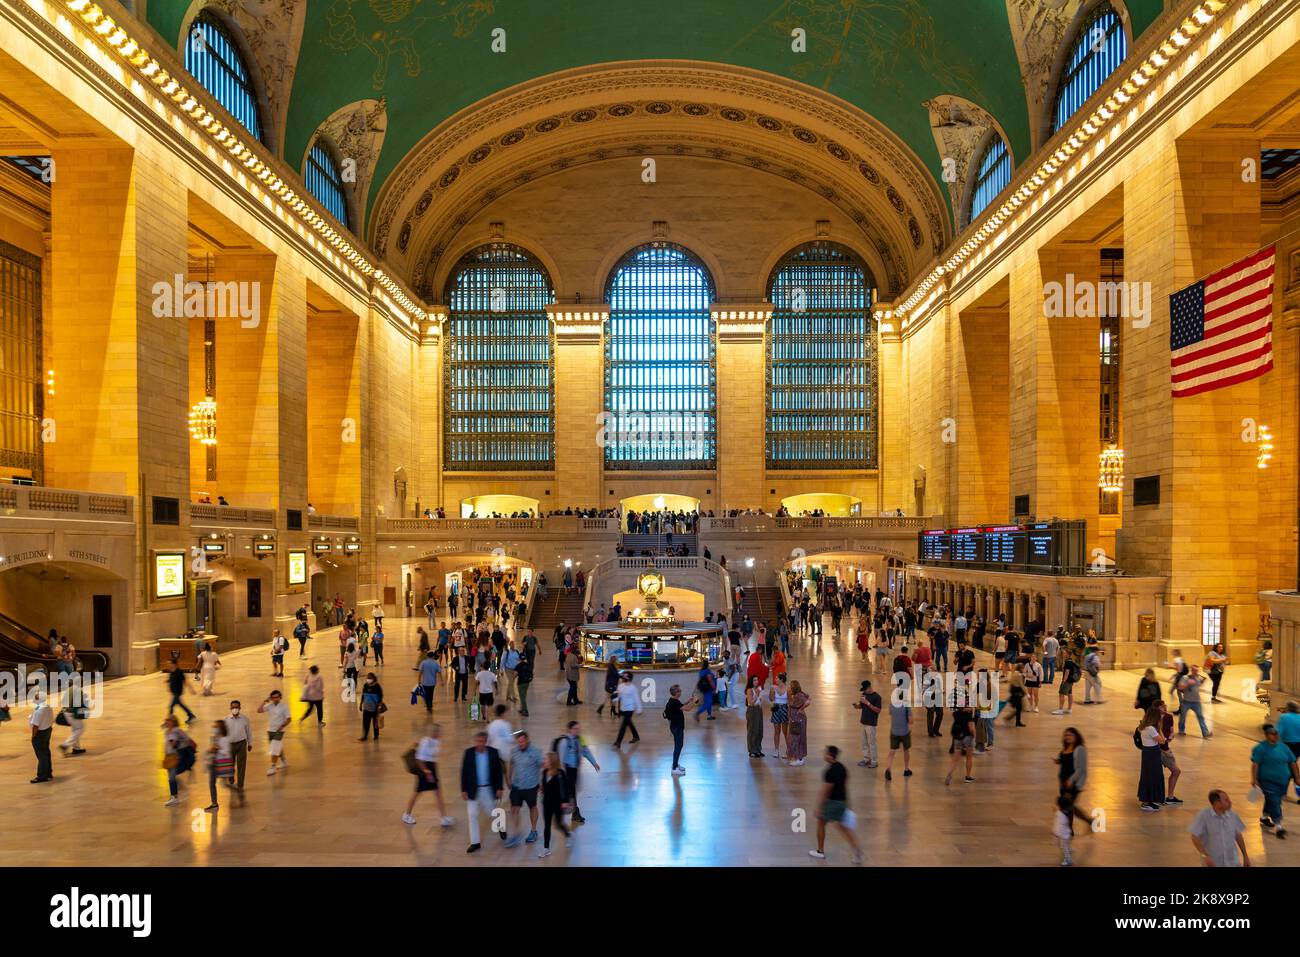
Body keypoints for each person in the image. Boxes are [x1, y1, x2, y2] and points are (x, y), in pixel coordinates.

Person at [809, 746, 862, 864]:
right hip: (842, 802)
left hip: (833, 803)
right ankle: (857, 851)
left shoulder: (830, 772)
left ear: (830, 756)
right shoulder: (842, 768)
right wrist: (848, 804)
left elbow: (825, 791)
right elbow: (844, 787)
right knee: (844, 827)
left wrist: (819, 807)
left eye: (825, 753)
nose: (824, 754)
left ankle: (820, 851)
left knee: (821, 822)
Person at [1251, 723, 1299, 839]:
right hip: (1267, 781)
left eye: (1276, 733)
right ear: (1267, 735)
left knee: (1272, 800)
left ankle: (1264, 817)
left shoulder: (1284, 747)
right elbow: (1255, 764)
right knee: (1275, 801)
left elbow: (1292, 762)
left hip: (1283, 781)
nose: (1275, 736)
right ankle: (1279, 827)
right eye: (1272, 734)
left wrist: (1297, 777)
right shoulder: (1260, 748)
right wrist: (1254, 779)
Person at [403, 723, 455, 828]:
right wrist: (427, 772)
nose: (441, 733)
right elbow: (419, 759)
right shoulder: (426, 742)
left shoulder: (436, 741)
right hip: (425, 769)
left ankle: (443, 818)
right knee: (417, 792)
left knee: (438, 793)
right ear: (434, 732)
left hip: (432, 768)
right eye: (439, 731)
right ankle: (406, 814)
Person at [460, 731, 504, 853]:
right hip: (472, 789)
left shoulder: (494, 753)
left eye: (482, 742)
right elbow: (464, 772)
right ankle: (475, 842)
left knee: (491, 812)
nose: (479, 744)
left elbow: (499, 772)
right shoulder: (468, 753)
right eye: (477, 741)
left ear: (486, 742)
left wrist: (500, 788)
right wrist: (463, 790)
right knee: (472, 815)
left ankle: (500, 826)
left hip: (487, 789)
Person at [504, 730, 544, 847]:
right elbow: (511, 764)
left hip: (531, 786)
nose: (520, 744)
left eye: (522, 742)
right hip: (517, 786)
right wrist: (509, 778)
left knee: (532, 807)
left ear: (527, 740)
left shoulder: (535, 752)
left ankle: (533, 831)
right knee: (514, 809)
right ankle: (515, 834)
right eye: (518, 742)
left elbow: (543, 766)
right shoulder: (514, 751)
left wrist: (543, 783)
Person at [1189, 790, 1249, 867]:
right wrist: (1205, 855)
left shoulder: (1233, 815)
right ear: (1217, 803)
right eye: (1226, 800)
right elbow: (1194, 837)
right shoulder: (1204, 815)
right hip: (1213, 863)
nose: (1230, 802)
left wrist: (1245, 855)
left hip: (1233, 862)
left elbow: (1238, 835)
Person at [556, 720, 599, 824]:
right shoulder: (564, 741)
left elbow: (586, 751)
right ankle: (575, 813)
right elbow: (560, 758)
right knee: (571, 793)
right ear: (570, 729)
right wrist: (563, 773)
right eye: (575, 729)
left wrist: (594, 763)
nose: (577, 730)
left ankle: (573, 812)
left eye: (578, 728)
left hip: (575, 770)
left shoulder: (580, 739)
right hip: (567, 770)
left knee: (572, 792)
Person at [1055, 727, 1092, 828]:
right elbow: (1065, 759)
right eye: (1066, 735)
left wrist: (1071, 780)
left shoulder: (1080, 749)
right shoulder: (1066, 747)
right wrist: (1058, 760)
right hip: (1064, 783)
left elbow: (1081, 768)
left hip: (1073, 784)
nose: (1068, 737)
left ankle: (1069, 829)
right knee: (1069, 806)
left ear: (1076, 736)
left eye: (1070, 735)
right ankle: (1089, 820)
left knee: (1067, 806)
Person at [538, 752, 572, 857]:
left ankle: (568, 835)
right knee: (547, 825)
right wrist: (541, 790)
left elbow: (565, 788)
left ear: (552, 761)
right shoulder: (544, 772)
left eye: (546, 759)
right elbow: (545, 786)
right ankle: (546, 848)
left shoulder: (560, 773)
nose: (544, 761)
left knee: (558, 824)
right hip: (547, 803)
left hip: (558, 804)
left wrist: (565, 801)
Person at [663, 684, 699, 776]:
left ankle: (675, 764)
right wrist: (694, 702)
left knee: (679, 745)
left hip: (676, 726)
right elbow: (687, 709)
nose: (681, 692)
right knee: (678, 746)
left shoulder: (673, 700)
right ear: (676, 693)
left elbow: (681, 706)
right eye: (679, 691)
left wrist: (689, 700)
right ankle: (674, 768)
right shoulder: (674, 702)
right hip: (676, 727)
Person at [161, 716, 197, 806]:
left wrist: (173, 742)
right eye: (166, 721)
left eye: (168, 720)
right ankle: (175, 796)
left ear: (173, 722)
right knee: (171, 777)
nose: (167, 723)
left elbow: (175, 743)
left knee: (172, 777)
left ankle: (174, 797)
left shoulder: (176, 730)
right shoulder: (167, 732)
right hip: (169, 756)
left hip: (175, 756)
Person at [1137, 704, 1167, 811]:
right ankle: (1147, 802)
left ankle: (1150, 799)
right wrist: (1160, 729)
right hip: (1152, 753)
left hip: (1147, 752)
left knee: (1149, 775)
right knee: (1153, 775)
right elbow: (1162, 741)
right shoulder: (1151, 729)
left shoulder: (1143, 726)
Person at [258, 689, 291, 775]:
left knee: (274, 748)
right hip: (270, 730)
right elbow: (259, 710)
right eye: (273, 697)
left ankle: (272, 767)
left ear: (280, 697)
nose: (275, 699)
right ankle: (284, 761)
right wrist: (265, 701)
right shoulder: (269, 706)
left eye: (277, 697)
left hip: (279, 730)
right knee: (277, 747)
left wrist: (282, 726)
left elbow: (289, 719)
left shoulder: (284, 706)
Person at [1155, 699, 1182, 804]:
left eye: (1165, 705)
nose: (1165, 708)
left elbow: (1171, 730)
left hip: (1166, 749)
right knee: (1159, 774)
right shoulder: (1154, 720)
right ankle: (1159, 797)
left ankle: (1170, 796)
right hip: (1157, 750)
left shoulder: (1169, 717)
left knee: (1176, 771)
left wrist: (1171, 735)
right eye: (1162, 706)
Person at [223, 700, 252, 793]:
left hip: (241, 744)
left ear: (240, 708)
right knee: (230, 764)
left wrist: (250, 743)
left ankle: (240, 785)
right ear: (230, 708)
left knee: (241, 765)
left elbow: (249, 732)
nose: (234, 709)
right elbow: (223, 734)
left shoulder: (245, 719)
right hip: (230, 745)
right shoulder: (226, 719)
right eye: (233, 707)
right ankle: (231, 778)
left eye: (236, 707)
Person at [204, 719, 233, 811]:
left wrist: (217, 749)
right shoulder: (214, 738)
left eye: (216, 727)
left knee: (224, 784)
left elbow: (226, 752)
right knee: (212, 783)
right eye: (214, 727)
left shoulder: (225, 739)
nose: (214, 728)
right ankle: (214, 803)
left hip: (221, 763)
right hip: (213, 763)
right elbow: (211, 748)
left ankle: (237, 790)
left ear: (221, 728)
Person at [1176, 666, 1212, 738]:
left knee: (1200, 717)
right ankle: (1181, 730)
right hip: (1186, 702)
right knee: (1183, 717)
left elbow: (1197, 687)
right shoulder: (1185, 678)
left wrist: (1203, 681)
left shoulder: (1198, 678)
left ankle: (1205, 733)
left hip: (1197, 702)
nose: (1196, 672)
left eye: (1197, 671)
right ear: (1191, 670)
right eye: (1195, 670)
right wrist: (1188, 684)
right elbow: (1179, 687)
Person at [58, 679, 91, 756]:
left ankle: (76, 748)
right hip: (72, 713)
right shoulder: (78, 690)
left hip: (66, 712)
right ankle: (65, 745)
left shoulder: (69, 689)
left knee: (75, 730)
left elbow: (62, 702)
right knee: (80, 728)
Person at [854, 679, 882, 768]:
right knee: (864, 743)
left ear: (869, 687)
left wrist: (868, 703)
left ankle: (874, 761)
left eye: (865, 689)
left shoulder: (877, 697)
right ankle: (866, 759)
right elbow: (861, 706)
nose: (864, 691)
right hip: (863, 722)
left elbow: (878, 710)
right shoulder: (864, 695)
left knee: (872, 743)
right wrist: (857, 706)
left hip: (871, 723)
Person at [883, 697, 912, 781]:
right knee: (906, 750)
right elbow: (910, 721)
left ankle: (888, 769)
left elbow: (890, 713)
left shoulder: (892, 704)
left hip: (894, 731)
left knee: (892, 751)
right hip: (904, 732)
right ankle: (906, 769)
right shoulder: (906, 706)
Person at [945, 704, 976, 785]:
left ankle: (949, 774)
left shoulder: (956, 714)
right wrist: (974, 735)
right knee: (969, 758)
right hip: (967, 738)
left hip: (958, 738)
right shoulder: (968, 716)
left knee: (955, 759)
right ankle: (968, 777)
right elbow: (971, 728)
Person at [29, 690, 54, 783]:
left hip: (40, 733)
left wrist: (33, 736)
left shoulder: (38, 710)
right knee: (46, 752)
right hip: (47, 730)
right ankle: (48, 772)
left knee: (41, 754)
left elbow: (35, 726)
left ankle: (42, 776)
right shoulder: (48, 707)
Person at [613, 671, 642, 747]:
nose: (623, 677)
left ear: (629, 678)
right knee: (629, 723)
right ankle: (636, 736)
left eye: (625, 676)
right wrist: (614, 699)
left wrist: (639, 709)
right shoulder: (620, 686)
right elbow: (619, 696)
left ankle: (618, 742)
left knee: (623, 725)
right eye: (623, 676)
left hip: (630, 709)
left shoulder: (633, 688)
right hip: (623, 708)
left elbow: (636, 699)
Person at [787, 679, 810, 766]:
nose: (788, 687)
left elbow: (808, 701)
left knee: (797, 737)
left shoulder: (798, 696)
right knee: (795, 737)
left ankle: (799, 758)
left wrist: (801, 708)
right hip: (795, 718)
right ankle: (798, 757)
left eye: (790, 686)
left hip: (798, 719)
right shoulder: (796, 695)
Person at [769, 673, 790, 759]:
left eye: (777, 678)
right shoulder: (774, 687)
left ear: (781, 680)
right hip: (776, 708)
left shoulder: (788, 688)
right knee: (776, 731)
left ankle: (788, 750)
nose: (775, 680)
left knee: (785, 732)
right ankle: (776, 750)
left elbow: (790, 701)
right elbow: (771, 699)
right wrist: (771, 692)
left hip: (785, 709)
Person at [358, 673, 384, 740]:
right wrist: (361, 704)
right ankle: (365, 735)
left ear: (373, 678)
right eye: (367, 678)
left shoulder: (377, 686)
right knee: (365, 723)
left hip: (374, 708)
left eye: (370, 678)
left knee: (375, 723)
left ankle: (376, 735)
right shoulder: (365, 685)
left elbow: (380, 696)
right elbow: (363, 695)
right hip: (366, 708)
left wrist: (379, 706)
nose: (368, 679)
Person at [745, 675, 765, 757]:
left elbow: (759, 701)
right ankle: (752, 750)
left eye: (757, 680)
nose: (756, 681)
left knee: (760, 731)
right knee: (753, 731)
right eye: (754, 680)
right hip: (752, 710)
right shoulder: (749, 690)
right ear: (751, 682)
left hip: (758, 710)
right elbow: (751, 702)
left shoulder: (758, 689)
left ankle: (758, 749)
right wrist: (757, 693)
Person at [1053, 795, 1075, 867]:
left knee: (1063, 847)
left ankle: (1068, 860)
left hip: (1063, 835)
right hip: (1069, 833)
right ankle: (1069, 849)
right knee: (1066, 844)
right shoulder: (1070, 810)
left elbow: (1059, 825)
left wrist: (1055, 832)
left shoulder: (1061, 814)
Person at [515, 652, 534, 717]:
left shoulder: (518, 666)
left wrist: (512, 678)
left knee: (522, 697)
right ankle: (522, 709)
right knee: (524, 696)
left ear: (519, 658)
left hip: (520, 683)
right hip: (527, 683)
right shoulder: (528, 665)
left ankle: (525, 711)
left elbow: (515, 674)